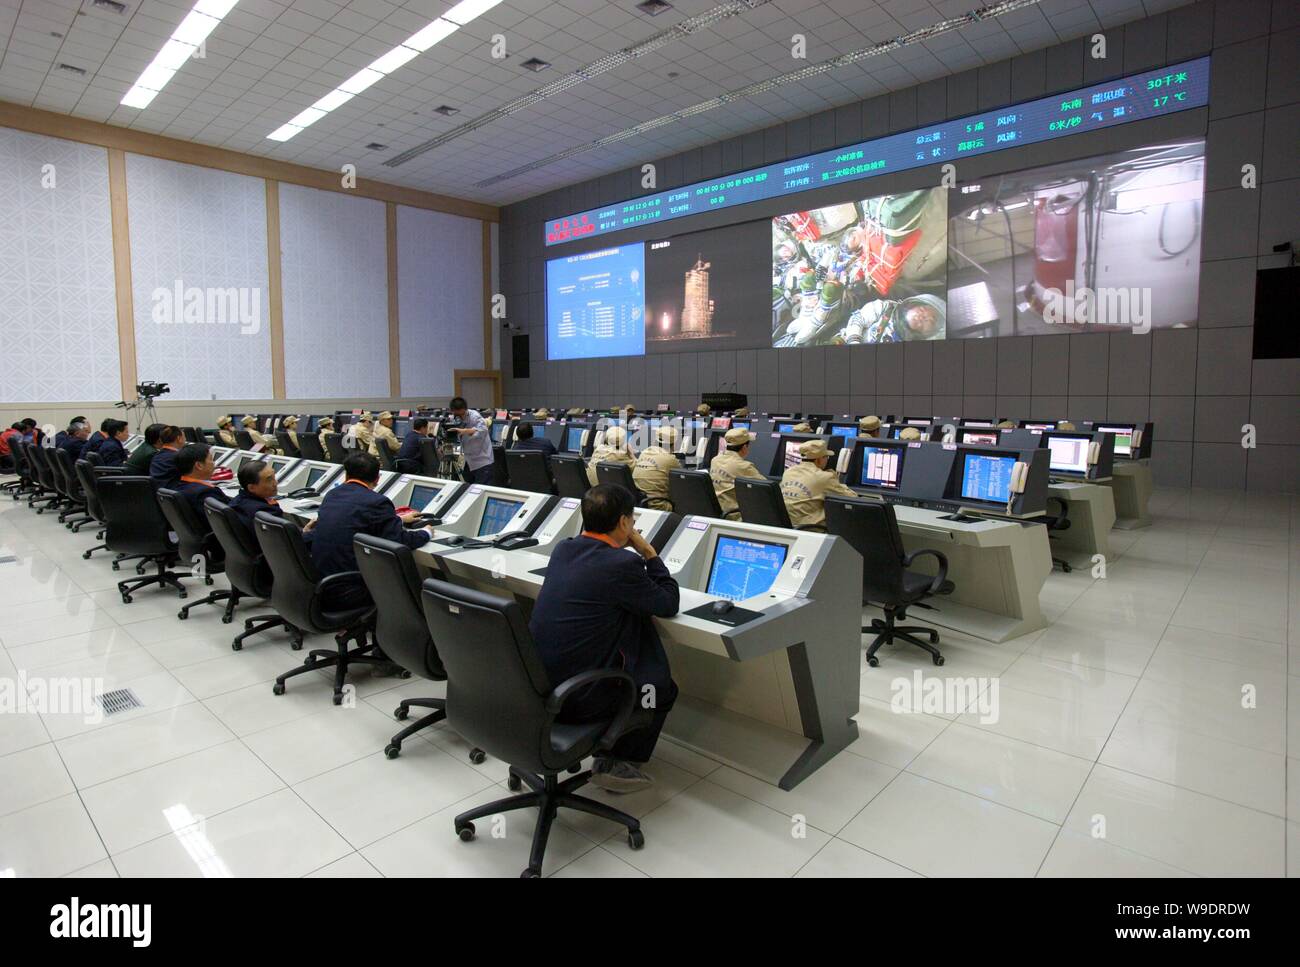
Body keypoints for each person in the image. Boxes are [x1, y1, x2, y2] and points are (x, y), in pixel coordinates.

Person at [528, 484, 679, 792]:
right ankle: (617, 764)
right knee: (659, 689)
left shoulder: (563, 549)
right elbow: (667, 603)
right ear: (624, 522)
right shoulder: (622, 564)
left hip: (539, 686)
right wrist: (650, 554)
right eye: (632, 520)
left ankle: (612, 753)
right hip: (580, 698)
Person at [305, 451, 434, 612]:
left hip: (322, 582)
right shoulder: (377, 502)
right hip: (349, 589)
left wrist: (399, 519)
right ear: (378, 478)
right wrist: (426, 532)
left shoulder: (332, 495)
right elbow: (400, 540)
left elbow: (355, 521)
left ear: (346, 474)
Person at [780, 438, 857, 531]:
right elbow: (852, 498)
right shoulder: (824, 477)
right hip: (812, 530)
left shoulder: (788, 472)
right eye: (826, 457)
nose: (827, 460)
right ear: (819, 460)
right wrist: (835, 478)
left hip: (787, 526)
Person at [710, 427, 764, 519]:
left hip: (718, 512)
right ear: (744, 447)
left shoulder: (715, 460)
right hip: (736, 516)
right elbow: (767, 489)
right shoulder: (744, 466)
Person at [172, 443, 230, 522]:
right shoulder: (206, 493)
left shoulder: (179, 486)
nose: (214, 464)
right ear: (199, 465)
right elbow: (230, 518)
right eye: (211, 460)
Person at [446, 397, 493, 485]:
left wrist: (465, 431)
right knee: (466, 488)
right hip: (469, 460)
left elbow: (483, 430)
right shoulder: (455, 418)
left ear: (465, 409)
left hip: (482, 460)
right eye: (456, 414)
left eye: (461, 414)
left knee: (480, 490)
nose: (459, 417)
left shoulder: (475, 416)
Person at [228, 459, 283, 533]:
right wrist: (304, 531)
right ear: (251, 488)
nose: (275, 483)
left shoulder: (236, 502)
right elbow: (287, 541)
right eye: (269, 480)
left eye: (274, 477)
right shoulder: (266, 511)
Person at [633, 425, 678, 511]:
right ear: (673, 444)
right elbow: (679, 482)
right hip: (660, 506)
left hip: (641, 504)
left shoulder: (643, 453)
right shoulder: (670, 459)